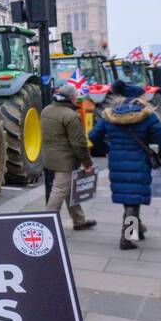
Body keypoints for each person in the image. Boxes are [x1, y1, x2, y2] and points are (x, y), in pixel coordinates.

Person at [88, 81, 161, 249]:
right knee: (133, 199)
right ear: (138, 97)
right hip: (139, 160)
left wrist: (107, 149)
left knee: (130, 197)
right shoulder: (147, 116)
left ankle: (137, 229)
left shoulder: (109, 115)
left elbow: (93, 135)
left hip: (117, 161)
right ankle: (127, 238)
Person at [41, 82, 98, 231]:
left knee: (70, 190)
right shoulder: (71, 116)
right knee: (60, 190)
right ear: (72, 98)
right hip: (65, 160)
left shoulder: (46, 110)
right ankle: (46, 224)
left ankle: (79, 220)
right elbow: (79, 144)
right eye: (76, 96)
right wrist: (87, 164)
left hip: (50, 156)